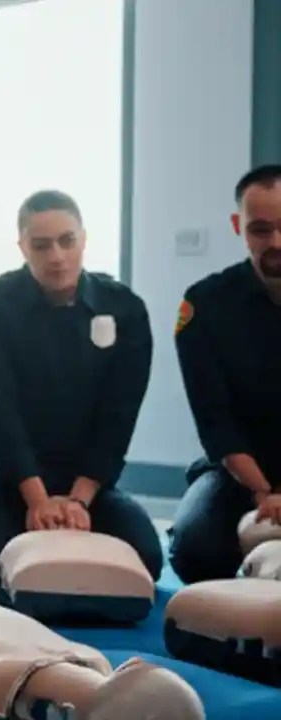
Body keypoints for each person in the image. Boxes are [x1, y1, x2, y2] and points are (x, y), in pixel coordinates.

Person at [0, 189, 164, 593]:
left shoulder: (124, 308)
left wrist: (77, 502)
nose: (56, 256)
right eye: (41, 245)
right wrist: (38, 501)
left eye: (67, 241)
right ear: (23, 247)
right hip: (4, 471)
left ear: (84, 240)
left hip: (84, 476)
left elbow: (118, 417)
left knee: (146, 555)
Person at [168, 164, 281, 583]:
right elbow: (215, 421)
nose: (276, 242)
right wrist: (264, 492)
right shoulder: (206, 305)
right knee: (195, 552)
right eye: (260, 230)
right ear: (238, 227)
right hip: (236, 471)